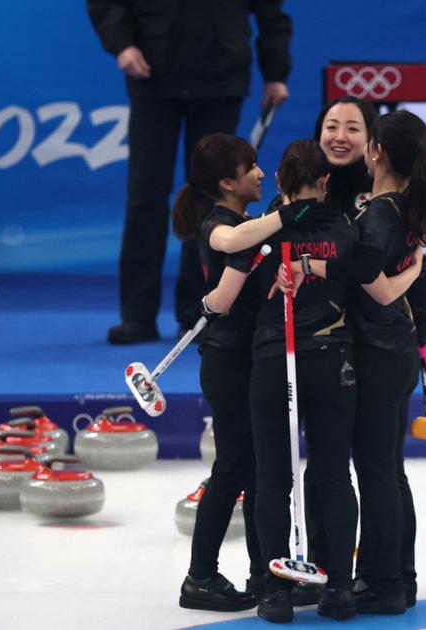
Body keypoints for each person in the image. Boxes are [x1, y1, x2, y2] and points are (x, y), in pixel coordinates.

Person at [245, 139, 422, 623]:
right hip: (332, 363)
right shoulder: (348, 229)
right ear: (325, 183)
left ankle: (275, 592)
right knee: (333, 475)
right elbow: (375, 285)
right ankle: (340, 589)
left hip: (272, 361)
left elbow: (228, 289)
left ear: (279, 181)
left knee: (272, 479)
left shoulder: (259, 232)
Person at [290, 99, 426, 611]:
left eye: (354, 128)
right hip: (377, 350)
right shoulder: (395, 204)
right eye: (330, 124)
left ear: (373, 150)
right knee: (379, 469)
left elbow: (371, 281)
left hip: (376, 351)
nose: (341, 135)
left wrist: (311, 265)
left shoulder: (377, 210)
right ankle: (389, 577)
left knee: (377, 470)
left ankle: (385, 582)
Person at [86, 0, 292, 344]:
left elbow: (272, 14)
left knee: (212, 200)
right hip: (153, 77)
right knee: (145, 195)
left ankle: (198, 313)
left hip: (221, 79)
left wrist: (276, 73)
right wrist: (122, 44)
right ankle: (137, 317)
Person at [170, 132, 271, 612]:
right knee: (232, 468)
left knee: (248, 469)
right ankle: (200, 578)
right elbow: (236, 244)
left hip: (242, 359)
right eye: (251, 166)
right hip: (227, 362)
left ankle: (262, 571)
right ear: (227, 181)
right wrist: (291, 212)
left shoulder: (242, 220)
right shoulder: (220, 226)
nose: (261, 173)